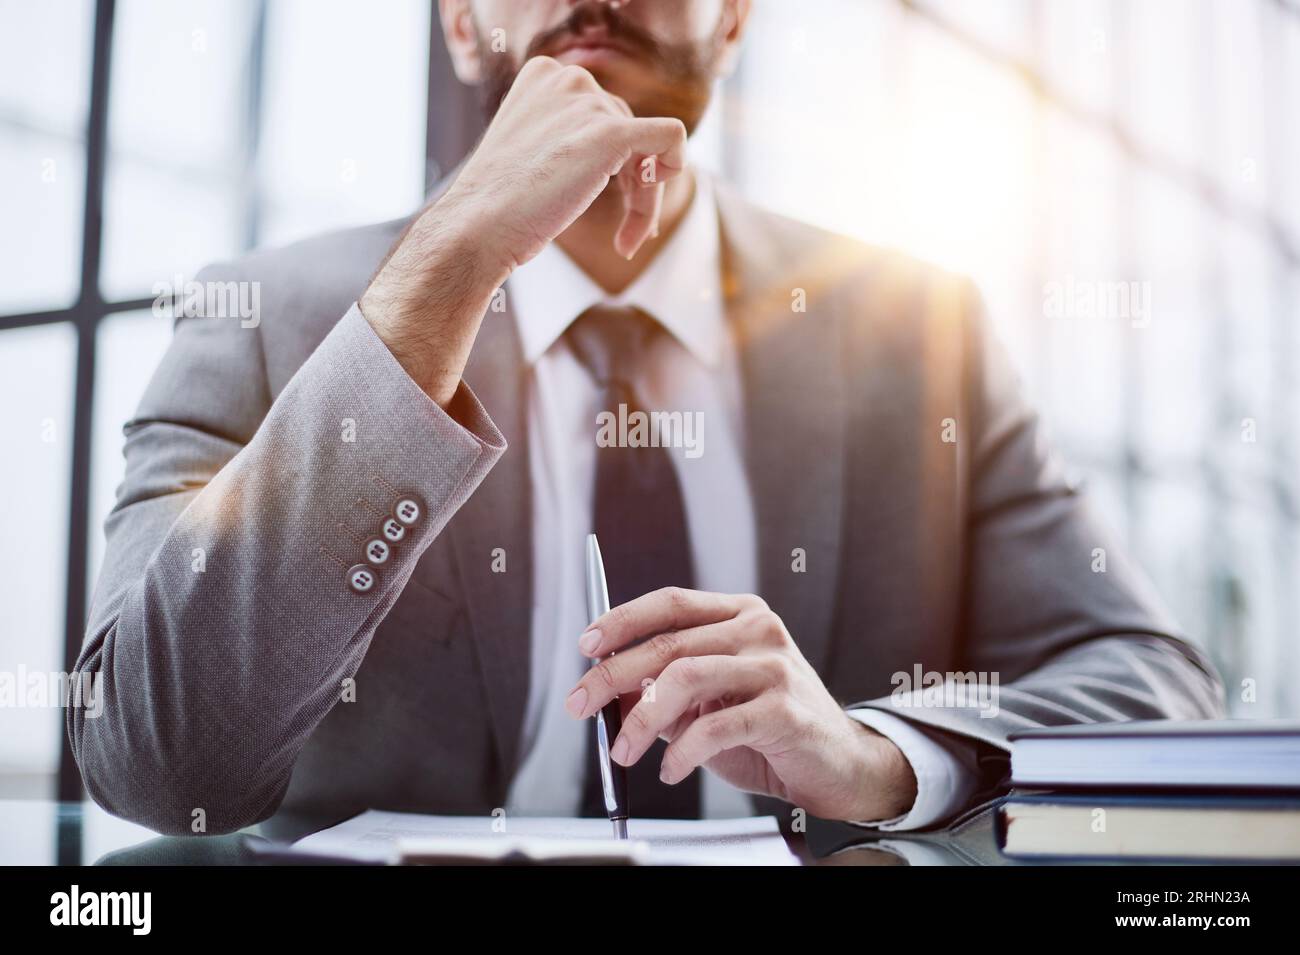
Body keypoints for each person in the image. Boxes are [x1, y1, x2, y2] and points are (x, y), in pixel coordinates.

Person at [69, 0, 1223, 836]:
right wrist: (439, 278)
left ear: (734, 21)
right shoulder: (268, 316)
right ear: (460, 26)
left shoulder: (922, 334)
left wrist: (878, 754)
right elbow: (155, 757)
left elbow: (1151, 682)